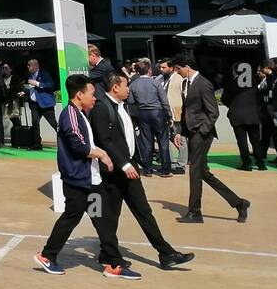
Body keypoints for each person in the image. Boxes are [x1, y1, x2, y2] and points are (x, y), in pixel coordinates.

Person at [88, 71, 194, 271]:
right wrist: (124, 164)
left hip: (129, 167)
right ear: (115, 87)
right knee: (112, 215)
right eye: (126, 85)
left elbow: (129, 136)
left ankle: (165, 253)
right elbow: (105, 140)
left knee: (143, 211)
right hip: (115, 171)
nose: (129, 88)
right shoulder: (102, 109)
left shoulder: (124, 106)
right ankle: (108, 253)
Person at [34, 75, 127, 277]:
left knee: (103, 220)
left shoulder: (81, 113)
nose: (95, 98)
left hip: (91, 181)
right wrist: (103, 155)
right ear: (79, 95)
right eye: (92, 94)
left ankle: (113, 263)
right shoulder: (70, 116)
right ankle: (47, 255)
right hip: (79, 183)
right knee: (72, 218)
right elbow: (79, 146)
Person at [173, 54, 248, 224]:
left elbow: (213, 112)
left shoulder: (203, 84)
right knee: (202, 172)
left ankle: (195, 212)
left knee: (194, 171)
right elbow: (187, 110)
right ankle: (239, 203)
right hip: (191, 132)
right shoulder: (186, 83)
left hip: (201, 134)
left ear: (186, 67)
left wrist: (202, 131)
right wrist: (180, 131)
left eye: (178, 69)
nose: (177, 73)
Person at [128, 59, 173, 176]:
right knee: (163, 141)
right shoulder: (155, 83)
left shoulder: (133, 84)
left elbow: (131, 101)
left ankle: (147, 169)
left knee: (146, 142)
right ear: (149, 70)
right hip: (157, 112)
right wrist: (169, 115)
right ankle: (165, 170)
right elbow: (164, 100)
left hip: (142, 113)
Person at [221, 61, 263, 171]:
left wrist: (233, 105)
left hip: (237, 115)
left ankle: (246, 163)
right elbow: (260, 99)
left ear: (235, 71)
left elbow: (224, 99)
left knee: (242, 140)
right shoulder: (253, 83)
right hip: (253, 115)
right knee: (256, 140)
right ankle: (260, 163)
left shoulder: (231, 84)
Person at [158, 57, 186, 172]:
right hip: (165, 114)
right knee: (168, 138)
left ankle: (181, 164)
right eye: (160, 67)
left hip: (176, 113)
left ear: (171, 68)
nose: (161, 69)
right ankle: (172, 161)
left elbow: (184, 95)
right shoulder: (161, 79)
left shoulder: (179, 79)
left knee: (180, 139)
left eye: (164, 67)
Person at [24, 58, 57, 149]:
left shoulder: (44, 74)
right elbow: (31, 87)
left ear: (35, 66)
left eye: (29, 65)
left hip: (46, 103)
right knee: (35, 123)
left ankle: (65, 140)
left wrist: (38, 83)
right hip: (34, 103)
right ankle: (37, 144)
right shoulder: (29, 75)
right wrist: (25, 91)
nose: (28, 67)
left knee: (53, 123)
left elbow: (50, 85)